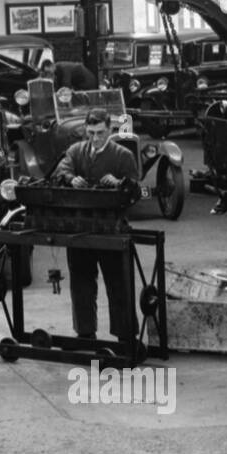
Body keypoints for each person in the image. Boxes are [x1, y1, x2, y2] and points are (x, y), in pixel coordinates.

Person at [52, 108, 140, 342]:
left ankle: (125, 336)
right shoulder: (76, 151)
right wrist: (71, 179)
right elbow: (61, 170)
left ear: (110, 129)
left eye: (100, 132)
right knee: (81, 282)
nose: (95, 138)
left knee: (118, 282)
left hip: (111, 229)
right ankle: (85, 333)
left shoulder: (122, 156)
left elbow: (135, 190)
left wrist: (119, 182)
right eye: (91, 133)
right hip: (80, 228)